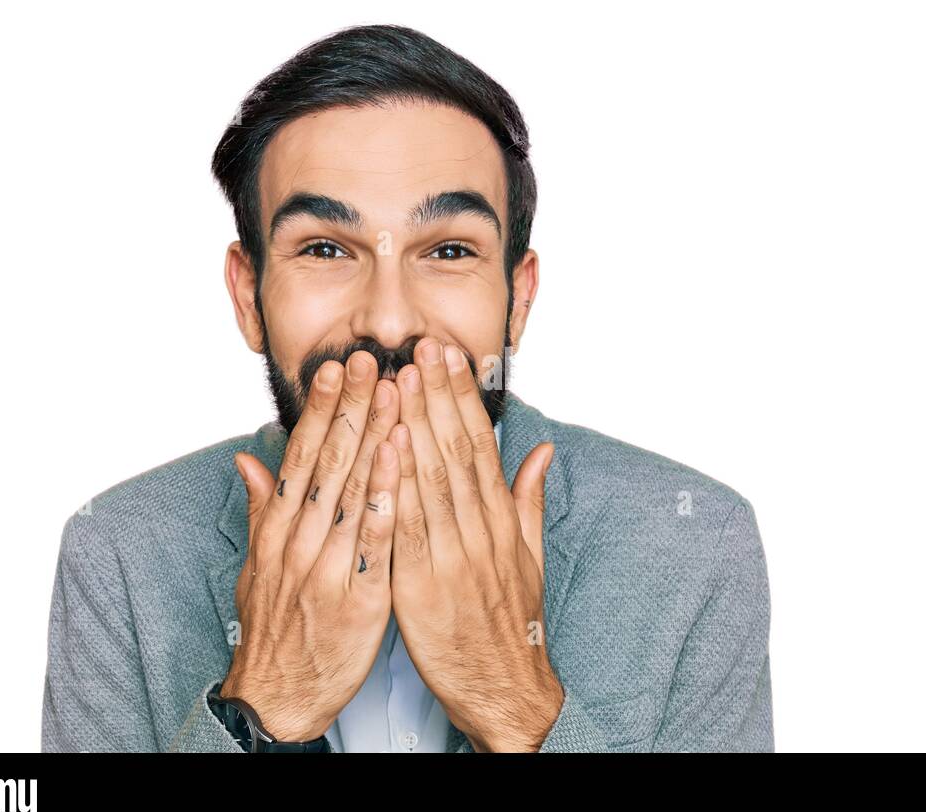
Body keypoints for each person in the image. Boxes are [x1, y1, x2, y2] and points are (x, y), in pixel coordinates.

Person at [41, 23, 773, 753]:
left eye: (450, 250)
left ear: (517, 298)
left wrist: (516, 707)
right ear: (247, 295)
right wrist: (264, 710)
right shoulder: (118, 554)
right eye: (325, 249)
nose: (389, 322)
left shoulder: (696, 543)